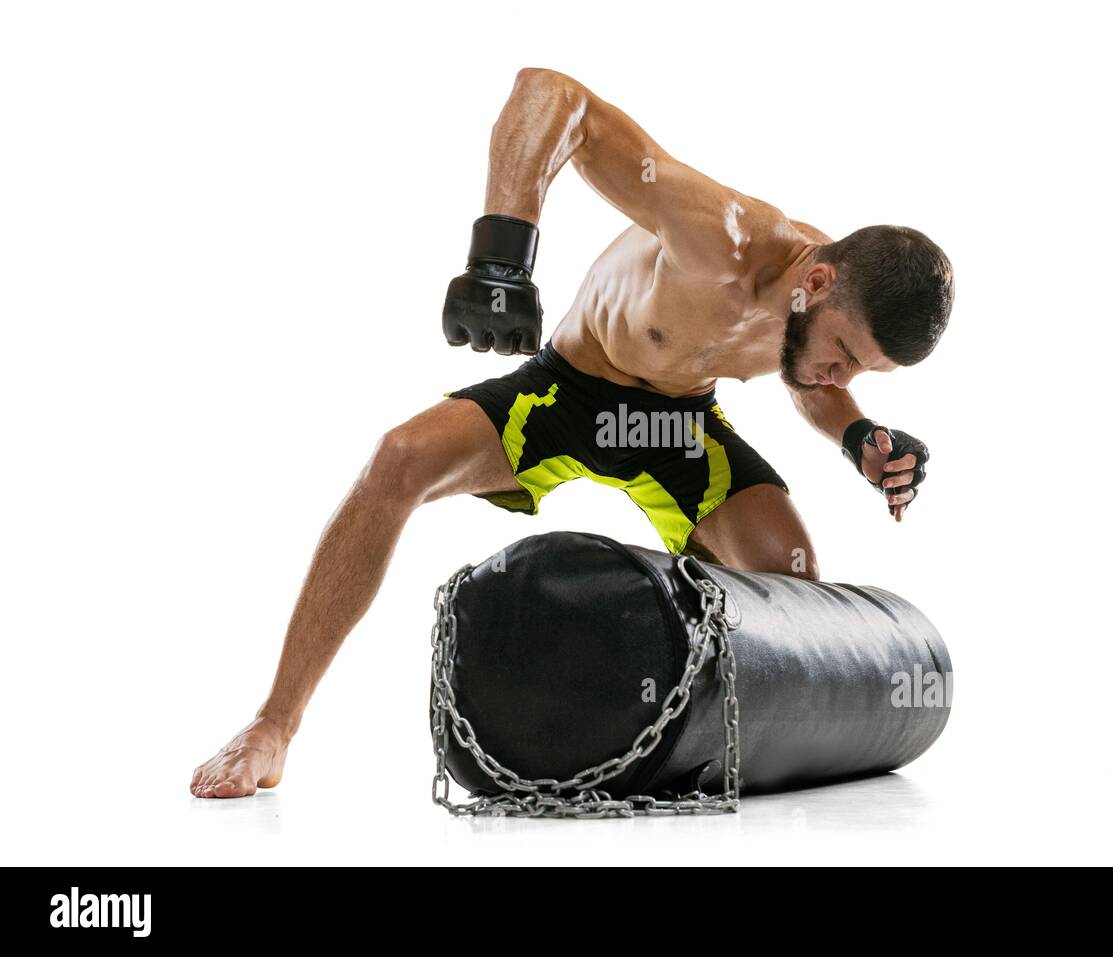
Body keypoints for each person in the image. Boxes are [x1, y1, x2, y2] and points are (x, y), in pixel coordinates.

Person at [191, 68, 954, 798]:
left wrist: (857, 438)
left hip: (679, 426)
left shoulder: (817, 311)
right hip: (571, 391)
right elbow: (554, 97)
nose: (840, 376)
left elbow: (807, 376)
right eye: (845, 355)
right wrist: (501, 259)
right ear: (814, 283)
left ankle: (681, 744)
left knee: (792, 590)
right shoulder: (720, 237)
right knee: (399, 459)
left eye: (862, 371)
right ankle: (274, 724)